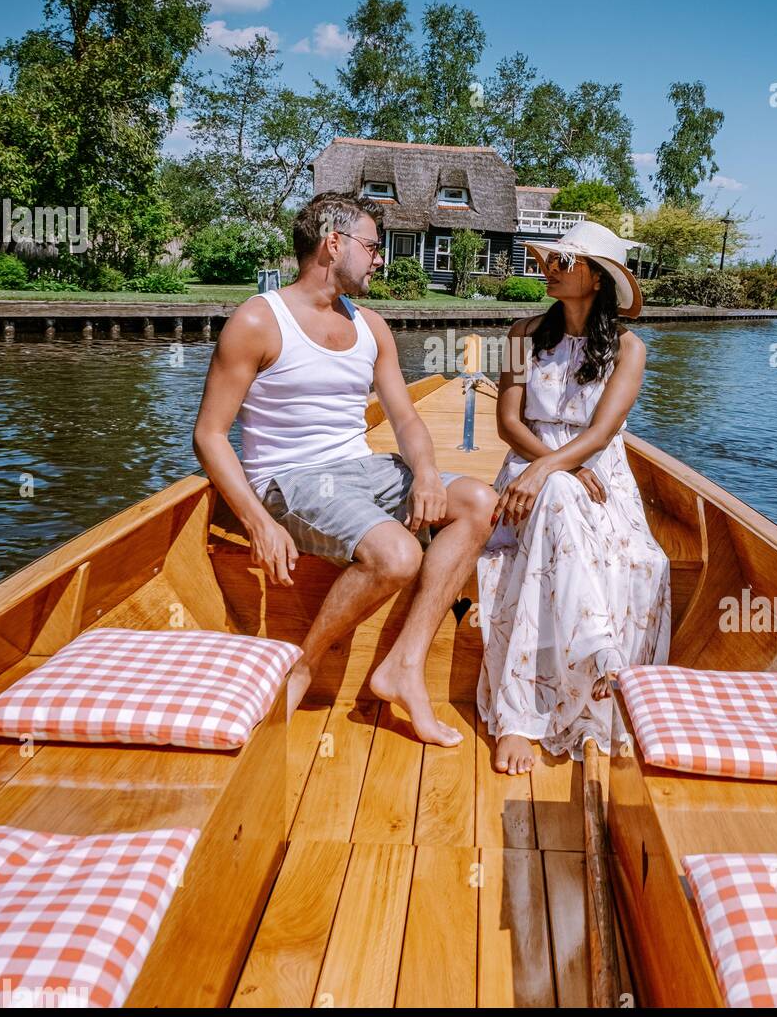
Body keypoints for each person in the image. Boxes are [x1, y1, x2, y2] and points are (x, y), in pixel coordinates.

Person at [192, 191, 499, 747]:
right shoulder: (259, 320)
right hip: (293, 481)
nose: (380, 259)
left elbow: (405, 419)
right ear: (333, 243)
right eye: (373, 246)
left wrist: (427, 472)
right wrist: (258, 522)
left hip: (364, 469)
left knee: (479, 501)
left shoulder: (371, 326)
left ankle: (404, 666)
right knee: (398, 554)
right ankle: (304, 666)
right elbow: (210, 435)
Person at [476, 221, 671, 774]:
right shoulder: (521, 333)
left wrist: (554, 468)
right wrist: (543, 466)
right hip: (529, 465)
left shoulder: (629, 349)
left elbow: (602, 434)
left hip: (598, 475)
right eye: (549, 260)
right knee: (558, 489)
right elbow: (507, 422)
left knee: (630, 550)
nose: (549, 268)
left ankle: (528, 710)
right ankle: (588, 662)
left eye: (564, 262)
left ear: (598, 278)